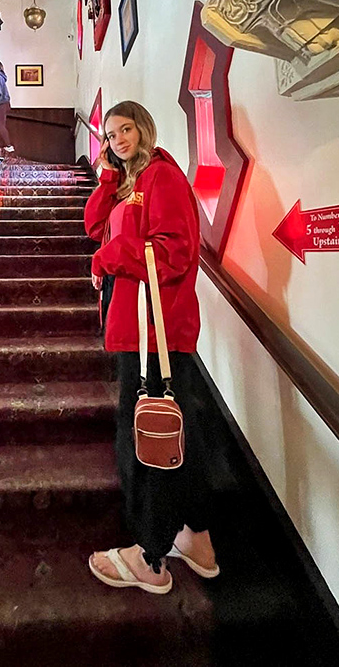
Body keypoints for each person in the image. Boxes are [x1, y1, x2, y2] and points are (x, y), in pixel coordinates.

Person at [84, 100, 219, 594]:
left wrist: (108, 257)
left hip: (155, 331)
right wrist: (105, 178)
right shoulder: (128, 184)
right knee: (176, 434)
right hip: (139, 326)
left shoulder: (162, 177)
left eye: (125, 130)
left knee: (144, 437)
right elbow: (93, 227)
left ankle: (150, 556)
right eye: (110, 135)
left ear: (144, 128)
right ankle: (196, 538)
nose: (118, 140)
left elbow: (176, 250)